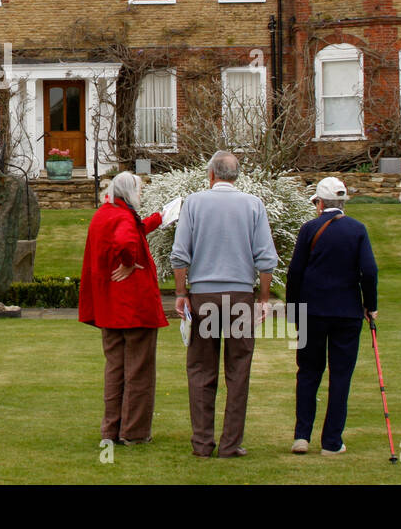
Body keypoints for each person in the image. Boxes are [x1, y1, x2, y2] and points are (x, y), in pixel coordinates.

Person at [169, 150, 277, 457]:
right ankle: (230, 444)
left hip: (203, 295)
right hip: (240, 295)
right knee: (239, 369)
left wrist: (180, 293)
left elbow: (180, 255)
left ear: (211, 175)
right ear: (236, 176)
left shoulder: (194, 203)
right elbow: (266, 260)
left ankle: (202, 443)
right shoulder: (253, 204)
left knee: (201, 370)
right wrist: (264, 299)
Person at [79, 172, 179, 445]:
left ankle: (111, 429)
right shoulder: (123, 217)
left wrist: (159, 218)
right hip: (133, 307)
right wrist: (129, 262)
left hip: (110, 308)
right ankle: (134, 432)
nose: (141, 194)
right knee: (139, 371)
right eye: (139, 190)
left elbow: (130, 232)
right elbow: (126, 240)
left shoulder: (105, 213)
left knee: (115, 369)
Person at [285, 177, 378, 456]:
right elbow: (369, 271)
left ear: (320, 203)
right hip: (347, 312)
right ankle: (331, 442)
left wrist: (293, 311)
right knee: (340, 375)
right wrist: (369, 305)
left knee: (309, 372)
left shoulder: (309, 229)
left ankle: (302, 436)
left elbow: (295, 273)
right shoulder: (358, 229)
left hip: (312, 311)